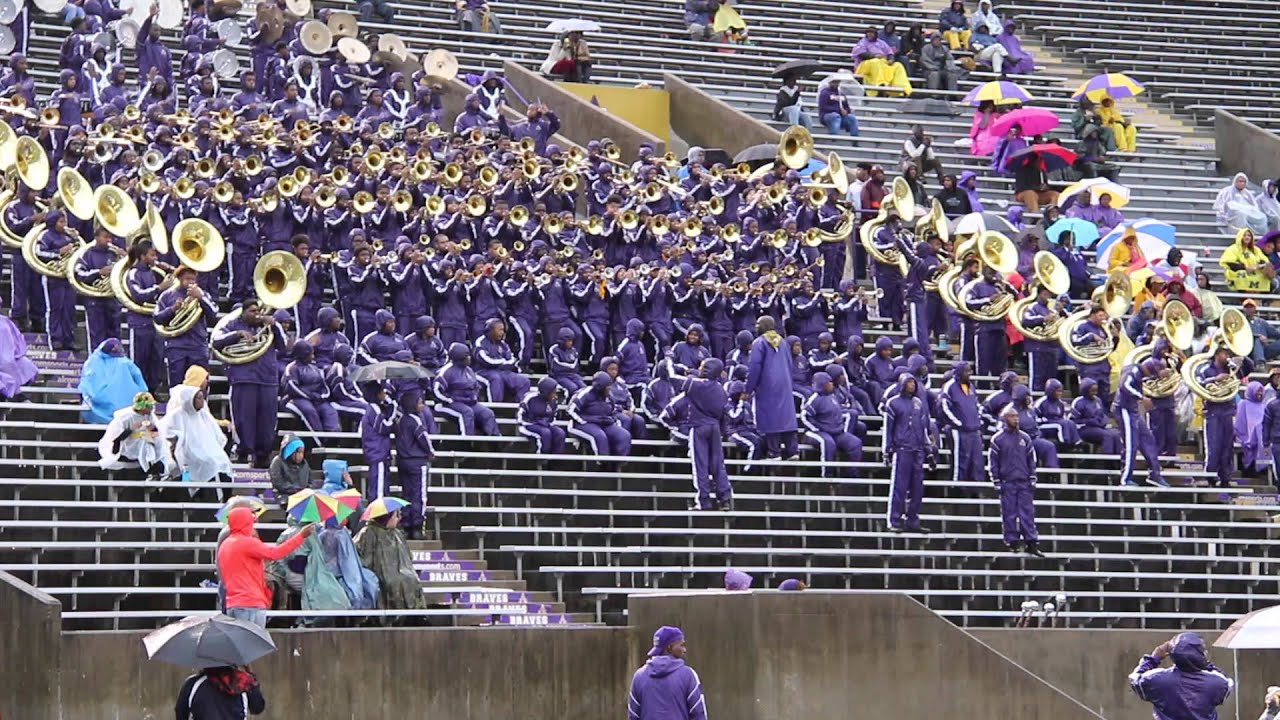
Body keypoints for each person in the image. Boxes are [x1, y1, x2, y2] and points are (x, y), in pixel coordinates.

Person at [212, 299, 286, 468]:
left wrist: (274, 325)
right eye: (252, 311)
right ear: (243, 312)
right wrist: (237, 335)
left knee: (267, 421)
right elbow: (216, 340)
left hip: (267, 379)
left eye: (258, 311)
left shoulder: (268, 327)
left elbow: (284, 346)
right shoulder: (232, 324)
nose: (257, 314)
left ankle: (263, 455)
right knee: (243, 419)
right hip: (243, 378)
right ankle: (243, 452)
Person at [217, 505, 314, 627]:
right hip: (250, 604)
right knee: (255, 642)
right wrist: (301, 536)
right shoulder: (247, 543)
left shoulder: (226, 544)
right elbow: (275, 553)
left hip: (233, 603)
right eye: (251, 521)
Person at [1128, 633, 1232, 720]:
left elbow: (1135, 678)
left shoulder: (1158, 679)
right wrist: (1205, 663)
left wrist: (1154, 658)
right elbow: (1225, 682)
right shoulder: (1216, 682)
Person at [882, 373, 934, 533]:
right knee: (899, 486)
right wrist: (887, 451)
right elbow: (888, 429)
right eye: (909, 382)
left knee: (917, 488)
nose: (912, 385)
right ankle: (894, 520)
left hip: (917, 450)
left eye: (913, 382)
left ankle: (913, 519)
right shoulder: (893, 403)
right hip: (902, 449)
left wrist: (929, 451)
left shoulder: (918, 403)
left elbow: (923, 428)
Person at [353, 506, 428, 613]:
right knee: (394, 582)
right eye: (396, 515)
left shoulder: (398, 534)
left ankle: (415, 616)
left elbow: (407, 556)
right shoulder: (367, 533)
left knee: (411, 580)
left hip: (401, 571)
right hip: (377, 573)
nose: (399, 518)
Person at [989, 405, 1042, 556]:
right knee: (1009, 513)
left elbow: (1031, 459)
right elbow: (993, 463)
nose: (1016, 419)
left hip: (1024, 482)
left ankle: (1031, 542)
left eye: (1017, 416)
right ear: (1005, 419)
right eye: (1012, 417)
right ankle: (1012, 541)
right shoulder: (997, 439)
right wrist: (996, 481)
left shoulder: (1025, 438)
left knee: (1027, 513)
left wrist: (1032, 477)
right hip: (1007, 482)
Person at [745, 316, 799, 459]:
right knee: (786, 417)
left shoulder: (759, 343)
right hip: (785, 384)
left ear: (764, 326)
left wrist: (748, 389)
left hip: (767, 385)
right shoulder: (783, 341)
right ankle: (792, 451)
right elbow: (790, 364)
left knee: (771, 417)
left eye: (758, 324)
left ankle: (774, 452)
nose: (756, 327)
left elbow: (755, 367)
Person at [627, 626, 708, 720]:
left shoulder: (639, 676)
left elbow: (633, 715)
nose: (684, 650)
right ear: (669, 647)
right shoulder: (688, 675)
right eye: (681, 645)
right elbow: (698, 713)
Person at [161, 384, 233, 486]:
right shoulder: (177, 415)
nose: (202, 401)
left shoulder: (204, 414)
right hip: (185, 455)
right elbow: (168, 434)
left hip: (207, 451)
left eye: (202, 397)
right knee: (203, 462)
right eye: (199, 398)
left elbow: (218, 436)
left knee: (221, 463)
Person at [1114, 359, 1168, 487]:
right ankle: (1125, 479)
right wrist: (1141, 397)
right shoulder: (1132, 371)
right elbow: (1124, 385)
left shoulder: (1140, 372)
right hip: (1124, 409)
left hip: (1133, 410)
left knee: (1148, 440)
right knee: (1131, 444)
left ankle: (1155, 475)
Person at [802, 371, 864, 478]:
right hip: (818, 432)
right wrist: (815, 428)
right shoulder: (815, 399)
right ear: (822, 384)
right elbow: (805, 415)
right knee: (828, 444)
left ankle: (852, 475)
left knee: (856, 443)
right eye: (828, 382)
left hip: (836, 432)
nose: (831, 384)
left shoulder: (832, 396)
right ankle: (827, 475)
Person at [97, 391, 172, 476]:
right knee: (144, 439)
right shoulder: (124, 418)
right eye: (150, 406)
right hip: (126, 446)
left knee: (152, 440)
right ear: (143, 407)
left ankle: (155, 464)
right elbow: (115, 437)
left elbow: (157, 433)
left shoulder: (150, 416)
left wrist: (152, 430)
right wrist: (131, 430)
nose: (152, 408)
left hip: (143, 440)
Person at [395, 390, 437, 539]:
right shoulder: (416, 420)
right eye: (420, 402)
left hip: (403, 461)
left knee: (406, 493)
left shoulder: (400, 421)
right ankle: (417, 526)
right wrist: (431, 452)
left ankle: (406, 524)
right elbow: (423, 438)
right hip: (417, 461)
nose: (422, 405)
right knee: (419, 494)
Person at [434, 342, 498, 436]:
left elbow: (476, 387)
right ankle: (467, 442)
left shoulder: (469, 370)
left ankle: (494, 441)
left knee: (487, 413)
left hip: (470, 403)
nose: (469, 358)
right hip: (448, 405)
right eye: (466, 356)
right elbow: (437, 391)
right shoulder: (446, 371)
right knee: (467, 413)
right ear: (459, 357)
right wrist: (450, 400)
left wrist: (474, 397)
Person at [78, 338, 145, 423]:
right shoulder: (127, 363)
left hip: (99, 414)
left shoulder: (92, 362)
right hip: (129, 414)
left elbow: (86, 387)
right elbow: (142, 387)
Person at [569, 371, 633, 458]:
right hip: (586, 423)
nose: (610, 388)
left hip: (605, 423)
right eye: (607, 387)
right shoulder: (585, 393)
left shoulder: (609, 396)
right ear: (600, 387)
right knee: (600, 436)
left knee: (624, 435)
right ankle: (603, 463)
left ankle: (618, 462)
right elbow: (570, 409)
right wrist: (583, 421)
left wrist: (613, 420)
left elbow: (612, 410)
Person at [174, 665, 266, 719]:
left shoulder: (192, 684)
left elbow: (180, 714)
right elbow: (257, 708)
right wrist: (250, 674)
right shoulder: (243, 683)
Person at [360, 384, 400, 499]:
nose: (385, 395)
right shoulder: (374, 409)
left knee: (383, 487)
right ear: (377, 394)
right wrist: (392, 414)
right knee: (379, 490)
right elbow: (384, 428)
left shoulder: (375, 409)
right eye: (383, 392)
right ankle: (379, 515)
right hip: (378, 453)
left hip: (379, 453)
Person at [850, 27, 912, 96]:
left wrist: (891, 59)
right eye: (868, 33)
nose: (870, 34)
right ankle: (880, 85)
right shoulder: (863, 42)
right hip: (865, 64)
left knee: (898, 65)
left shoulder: (881, 43)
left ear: (876, 34)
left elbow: (889, 52)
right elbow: (861, 53)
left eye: (872, 33)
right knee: (876, 62)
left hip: (882, 63)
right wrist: (873, 55)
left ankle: (903, 89)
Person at [1071, 378, 1122, 455]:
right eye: (1092, 391)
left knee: (1116, 434)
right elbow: (1073, 422)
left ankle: (1118, 461)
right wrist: (1090, 422)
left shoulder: (1098, 400)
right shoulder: (1078, 402)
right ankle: (1108, 461)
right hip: (1084, 429)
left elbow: (1102, 414)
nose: (1095, 393)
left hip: (1099, 427)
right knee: (1107, 435)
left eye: (1096, 391)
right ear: (1085, 390)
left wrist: (1103, 421)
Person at [518, 376, 567, 455]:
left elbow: (553, 416)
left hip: (546, 424)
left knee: (560, 433)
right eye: (553, 392)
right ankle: (543, 457)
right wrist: (534, 422)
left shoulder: (554, 401)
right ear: (546, 392)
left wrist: (548, 423)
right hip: (529, 425)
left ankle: (557, 459)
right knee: (545, 433)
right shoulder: (530, 398)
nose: (555, 395)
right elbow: (520, 416)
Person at [1236, 381, 1269, 476]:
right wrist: (1246, 437)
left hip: (1261, 436)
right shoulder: (1243, 404)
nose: (1259, 393)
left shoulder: (1264, 406)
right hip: (1246, 436)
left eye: (1261, 391)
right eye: (1257, 391)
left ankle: (1264, 469)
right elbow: (1240, 423)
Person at [269, 436, 314, 503]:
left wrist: (307, 489)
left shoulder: (304, 464)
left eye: (302, 452)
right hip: (283, 494)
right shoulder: (277, 462)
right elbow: (278, 482)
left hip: (302, 495)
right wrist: (294, 490)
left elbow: (310, 481)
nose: (301, 455)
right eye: (298, 452)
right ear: (290, 451)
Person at [1243, 299, 1280, 363]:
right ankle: (1260, 363)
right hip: (1248, 351)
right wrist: (1257, 336)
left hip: (1264, 350)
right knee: (1257, 340)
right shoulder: (1241, 322)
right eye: (1246, 307)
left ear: (1255, 308)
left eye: (1251, 307)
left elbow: (1275, 333)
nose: (1248, 309)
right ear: (1243, 309)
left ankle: (1262, 358)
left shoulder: (1261, 322)